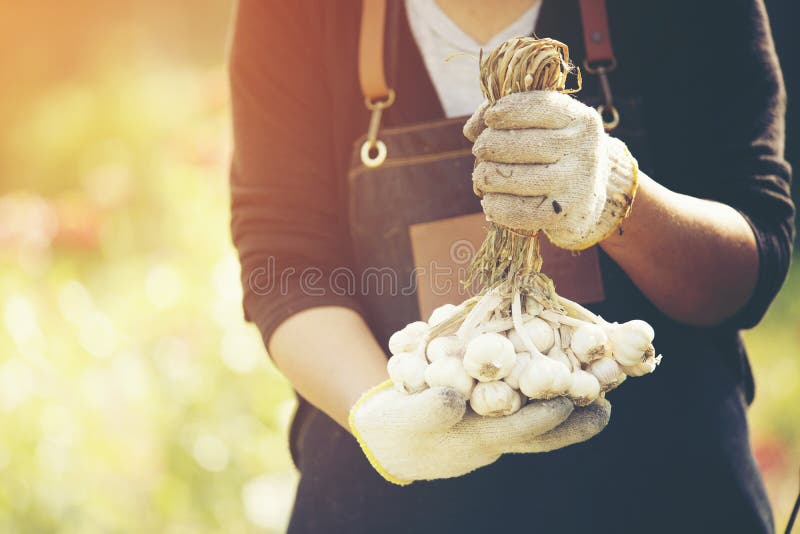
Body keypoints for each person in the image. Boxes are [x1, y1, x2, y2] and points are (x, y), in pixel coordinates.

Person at [228, 0, 794, 532]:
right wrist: (380, 409)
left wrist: (622, 197)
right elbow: (286, 262)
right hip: (387, 512)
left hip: (665, 495)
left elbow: (752, 263)